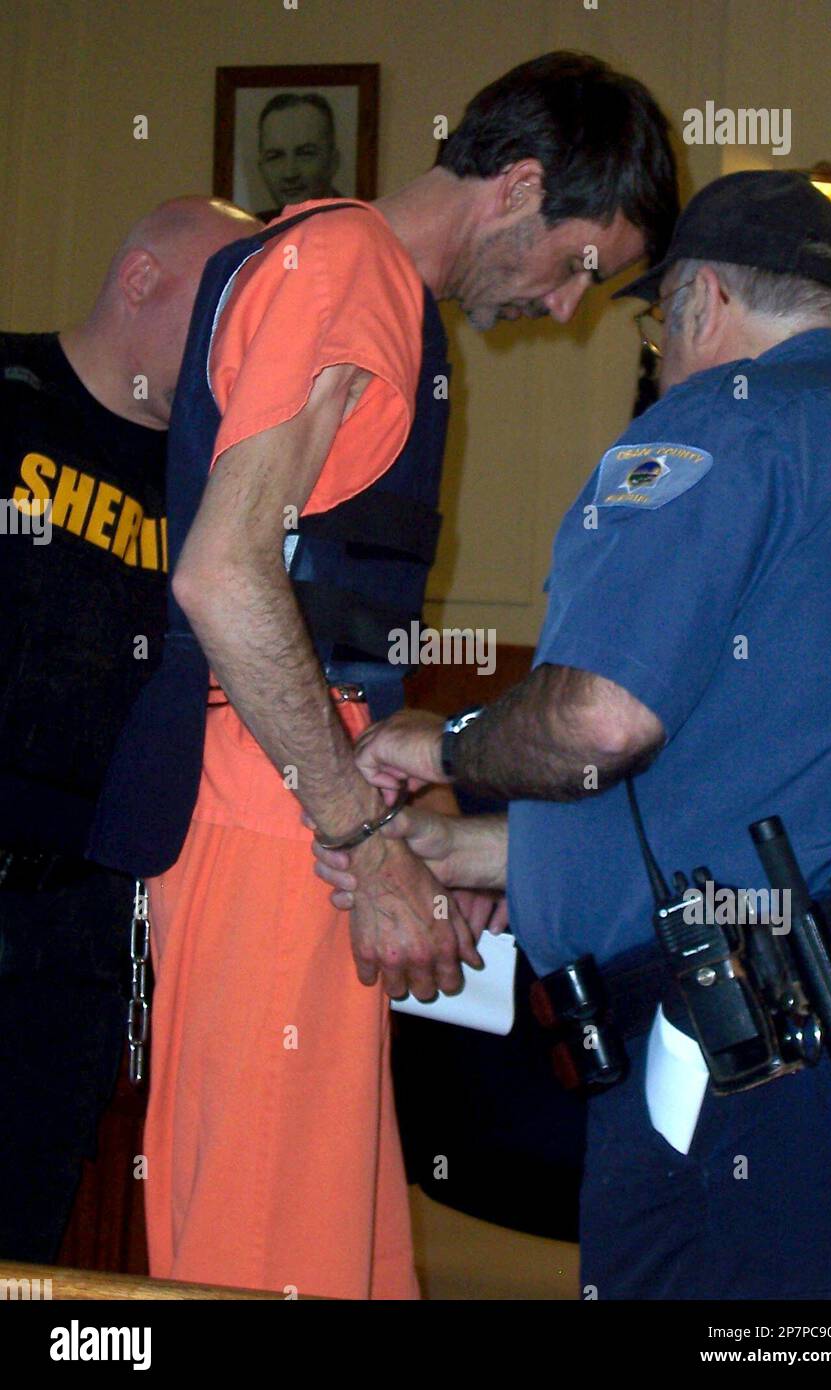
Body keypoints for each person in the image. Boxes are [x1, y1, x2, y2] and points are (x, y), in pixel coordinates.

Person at [88, 51, 679, 1298]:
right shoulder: (348, 269)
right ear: (518, 186)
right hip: (275, 827)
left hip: (290, 806)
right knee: (266, 1252)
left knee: (332, 1242)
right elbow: (224, 579)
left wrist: (410, 804)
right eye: (580, 262)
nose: (570, 309)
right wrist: (366, 839)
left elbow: (313, 606)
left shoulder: (349, 271)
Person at [322, 171, 831, 1300]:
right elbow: (757, 760)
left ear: (701, 302)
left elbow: (600, 717)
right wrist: (503, 856)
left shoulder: (725, 427)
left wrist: (443, 746)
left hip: (750, 1051)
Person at [0, 196, 261, 1264]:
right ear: (142, 279)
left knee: (23, 1235)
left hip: (75, 934)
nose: (229, 355)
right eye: (216, 322)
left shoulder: (213, 490)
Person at [256, 93, 343, 220]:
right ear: (261, 166)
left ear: (333, 161)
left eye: (305, 154)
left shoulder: (363, 227)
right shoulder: (253, 231)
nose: (289, 173)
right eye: (275, 157)